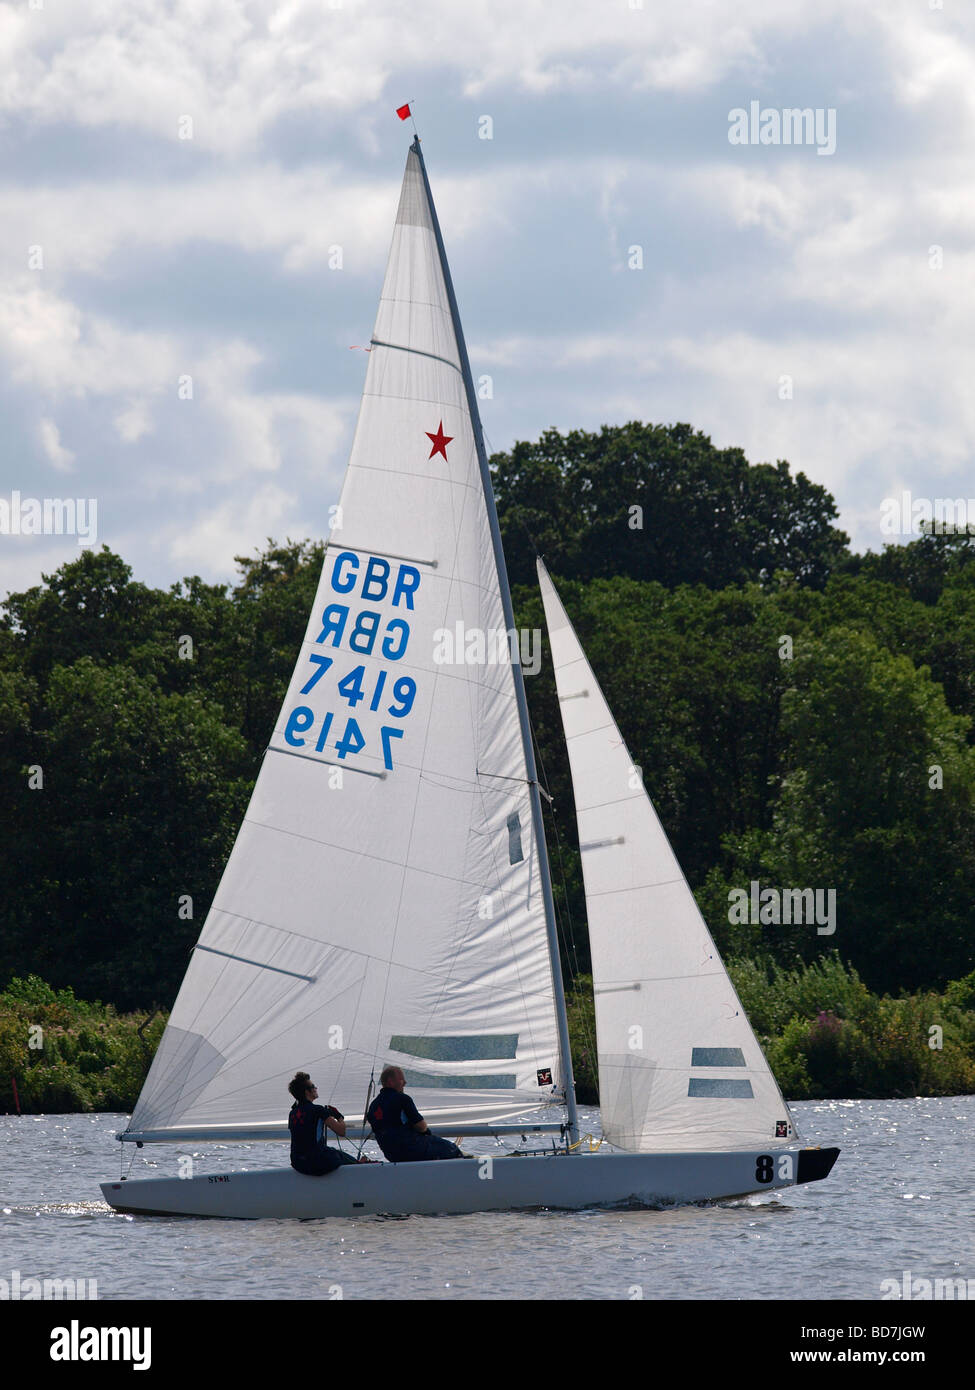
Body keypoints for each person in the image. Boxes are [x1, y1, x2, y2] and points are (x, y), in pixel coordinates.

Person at [366, 1065, 465, 1161]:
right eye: (401, 1079)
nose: (405, 1082)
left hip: (391, 1155)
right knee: (452, 1149)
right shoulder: (402, 1099)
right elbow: (421, 1126)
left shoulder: (373, 1106)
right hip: (413, 1149)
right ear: (390, 1082)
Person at [288, 1072, 366, 1174]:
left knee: (330, 1151)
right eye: (313, 1087)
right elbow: (341, 1132)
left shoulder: (292, 1113)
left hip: (297, 1163)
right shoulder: (318, 1110)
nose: (316, 1088)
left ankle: (356, 1163)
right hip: (316, 1162)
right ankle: (358, 1165)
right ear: (307, 1092)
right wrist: (339, 1117)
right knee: (336, 1154)